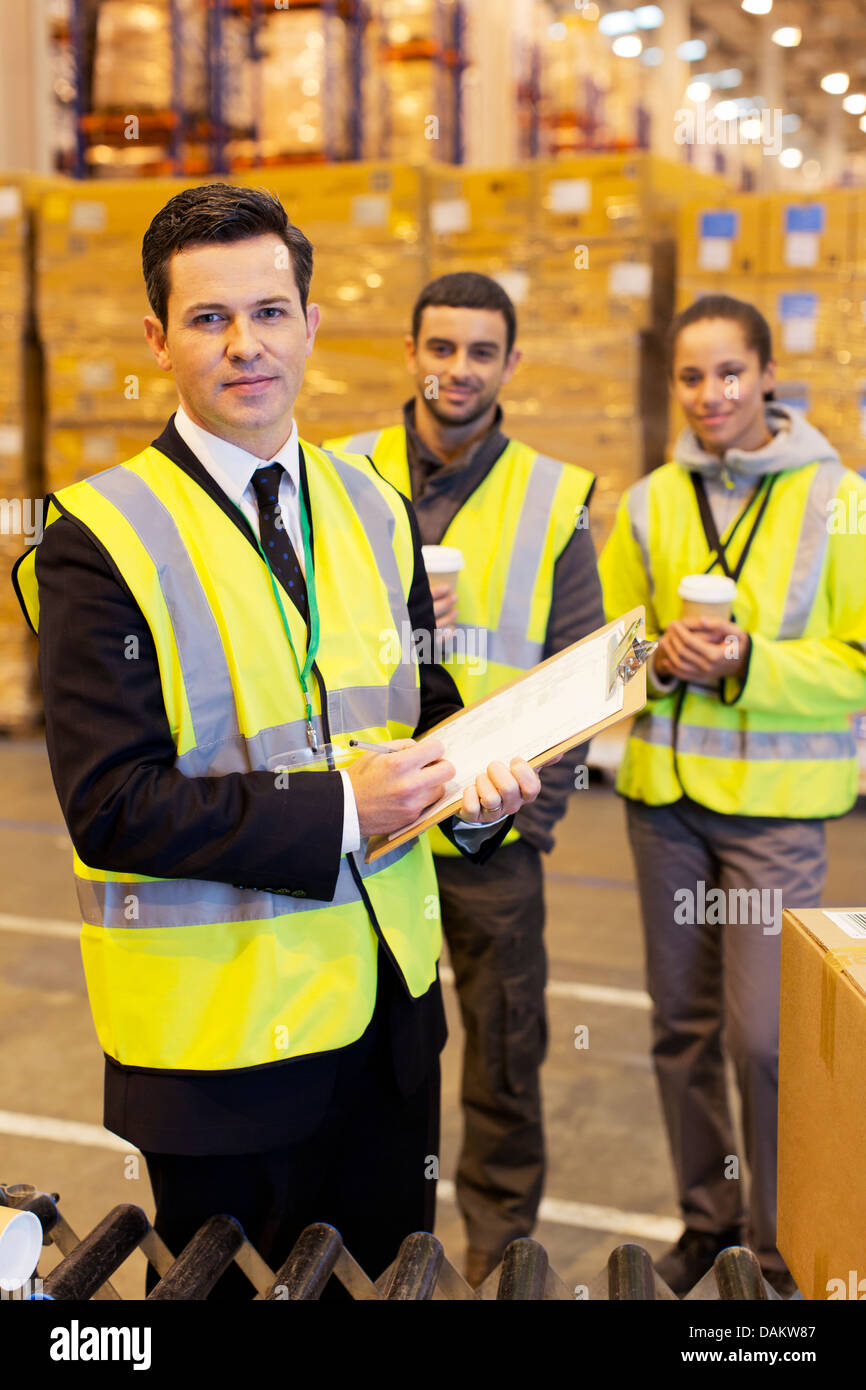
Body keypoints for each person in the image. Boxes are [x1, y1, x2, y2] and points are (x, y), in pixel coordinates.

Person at [11, 185, 545, 1299]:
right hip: (219, 1055)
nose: (245, 344)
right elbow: (112, 802)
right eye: (209, 318)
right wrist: (349, 806)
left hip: (385, 1030)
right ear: (157, 338)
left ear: (310, 322)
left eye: (269, 311)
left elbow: (414, 703)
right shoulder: (95, 540)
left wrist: (473, 790)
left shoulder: (374, 507)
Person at [326, 272, 606, 1286]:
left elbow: (584, 672)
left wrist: (530, 819)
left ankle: (498, 1248)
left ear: (509, 364)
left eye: (479, 351)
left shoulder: (551, 494)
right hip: (373, 821)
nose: (456, 370)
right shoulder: (338, 474)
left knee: (500, 1054)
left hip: (493, 831)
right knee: (370, 1054)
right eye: (439, 347)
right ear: (410, 351)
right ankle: (375, 1236)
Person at [598, 293, 866, 1297]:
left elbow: (857, 661)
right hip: (662, 804)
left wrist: (750, 658)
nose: (707, 394)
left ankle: (776, 1244)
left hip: (774, 812)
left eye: (726, 373)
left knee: (761, 1037)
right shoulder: (649, 500)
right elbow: (613, 646)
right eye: (688, 375)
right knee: (681, 1028)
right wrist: (654, 659)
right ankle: (705, 1223)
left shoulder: (840, 498)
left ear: (764, 377)